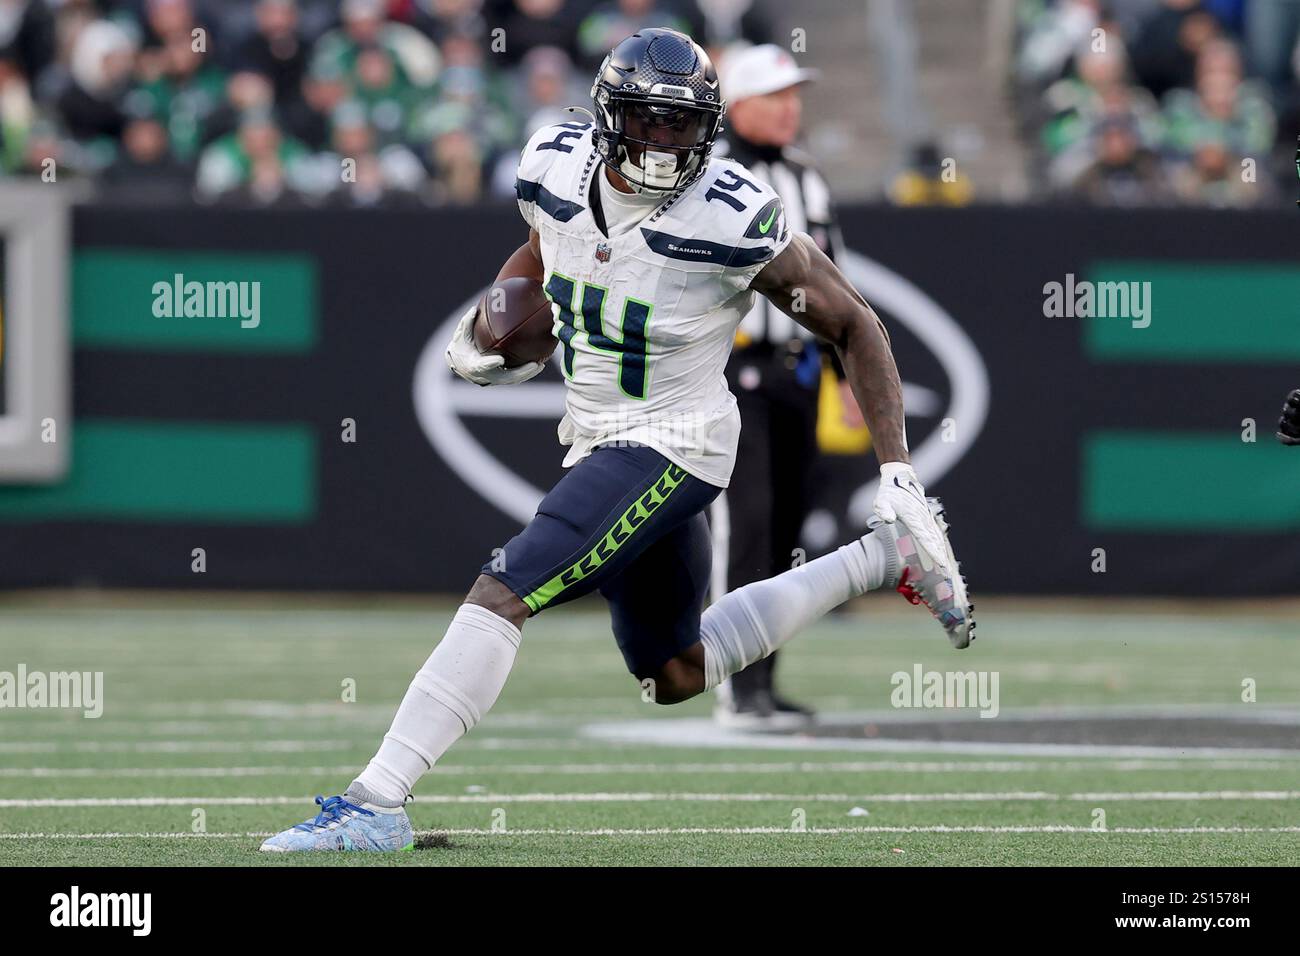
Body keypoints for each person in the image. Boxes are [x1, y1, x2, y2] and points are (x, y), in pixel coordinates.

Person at [260, 28, 973, 853]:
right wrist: (505, 311)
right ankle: (879, 560)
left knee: (506, 586)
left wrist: (897, 469)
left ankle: (378, 800)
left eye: (683, 126)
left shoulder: (731, 214)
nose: (665, 144)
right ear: (607, 115)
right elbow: (543, 244)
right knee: (672, 671)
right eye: (648, 121)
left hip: (677, 442)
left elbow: (854, 323)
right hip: (597, 436)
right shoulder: (553, 166)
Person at [709, 42, 842, 729]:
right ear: (738, 105)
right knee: (748, 524)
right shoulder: (709, 175)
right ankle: (736, 684)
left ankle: (767, 677)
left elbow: (834, 281)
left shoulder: (806, 177)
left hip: (798, 371)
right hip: (734, 373)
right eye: (776, 96)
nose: (791, 108)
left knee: (788, 529)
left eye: (796, 95)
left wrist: (843, 367)